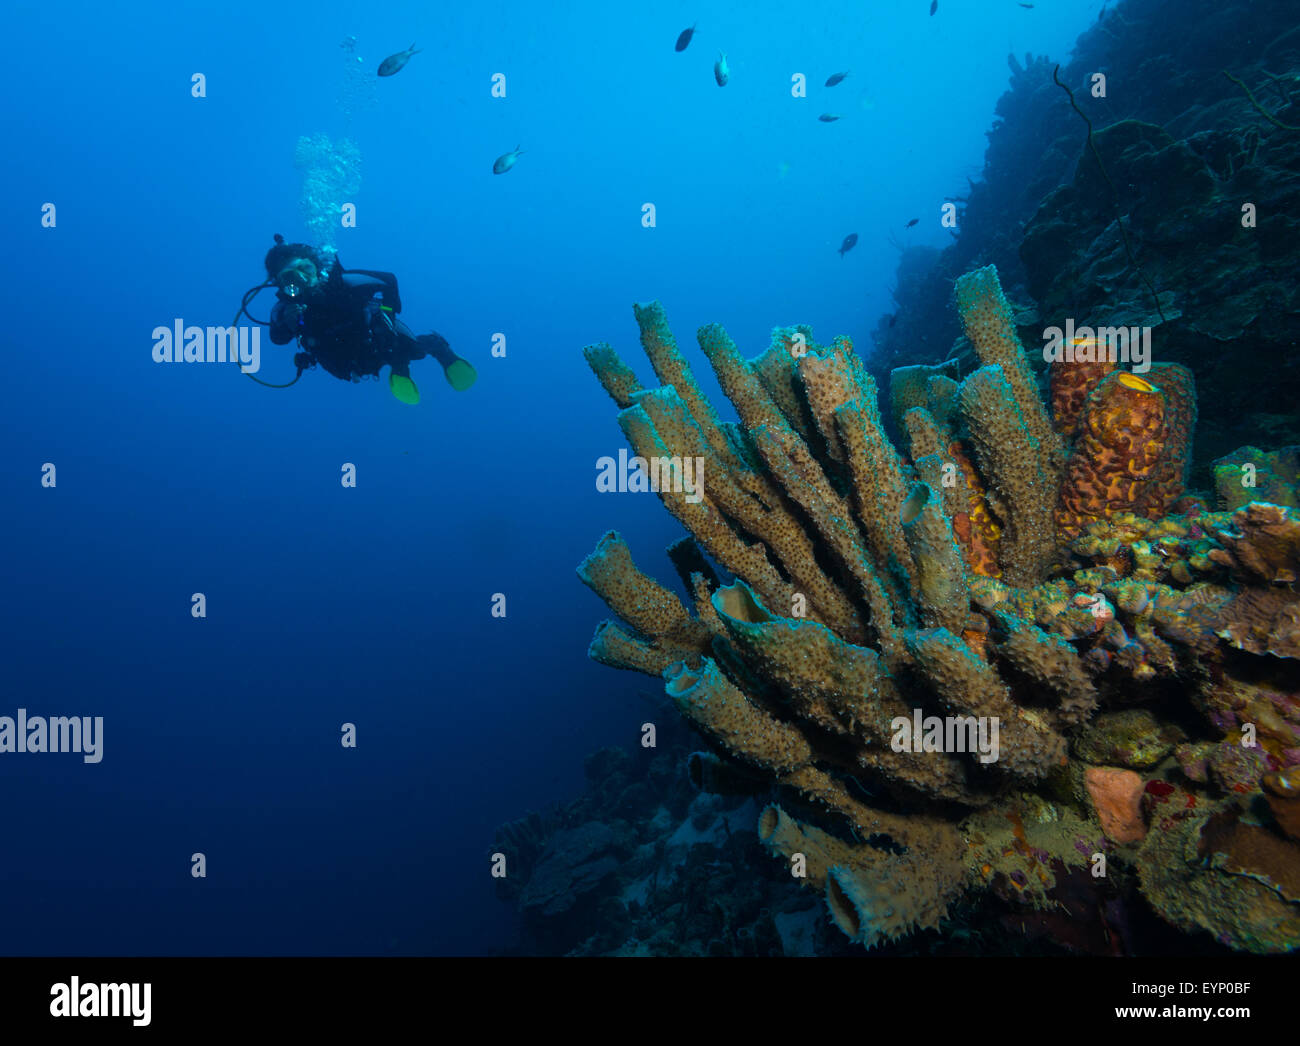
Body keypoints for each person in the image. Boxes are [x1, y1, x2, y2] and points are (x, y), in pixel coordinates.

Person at [262, 234, 477, 404]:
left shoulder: (343, 282)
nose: (303, 279)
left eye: (306, 269)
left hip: (376, 336)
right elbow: (278, 339)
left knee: (410, 350)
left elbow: (388, 280)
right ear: (279, 284)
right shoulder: (283, 309)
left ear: (316, 267)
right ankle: (398, 364)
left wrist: (387, 315)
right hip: (345, 359)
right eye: (290, 276)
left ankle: (435, 348)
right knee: (365, 365)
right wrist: (290, 322)